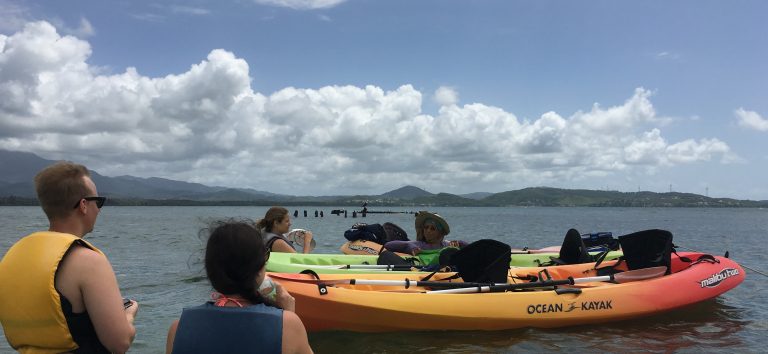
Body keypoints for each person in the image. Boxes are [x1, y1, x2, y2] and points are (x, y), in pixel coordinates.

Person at [0, 161, 138, 353]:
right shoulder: (88, 261)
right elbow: (119, 342)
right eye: (98, 202)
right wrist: (128, 315)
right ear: (83, 205)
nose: (98, 209)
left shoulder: (12, 256)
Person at [165, 220, 312, 354]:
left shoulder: (178, 328)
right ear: (259, 269)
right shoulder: (287, 325)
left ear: (210, 271)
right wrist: (289, 314)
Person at [383, 211, 467, 257]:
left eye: (432, 228)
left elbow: (471, 247)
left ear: (440, 233)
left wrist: (459, 243)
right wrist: (410, 247)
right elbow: (388, 245)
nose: (428, 230)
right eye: (426, 227)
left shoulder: (446, 245)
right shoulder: (419, 245)